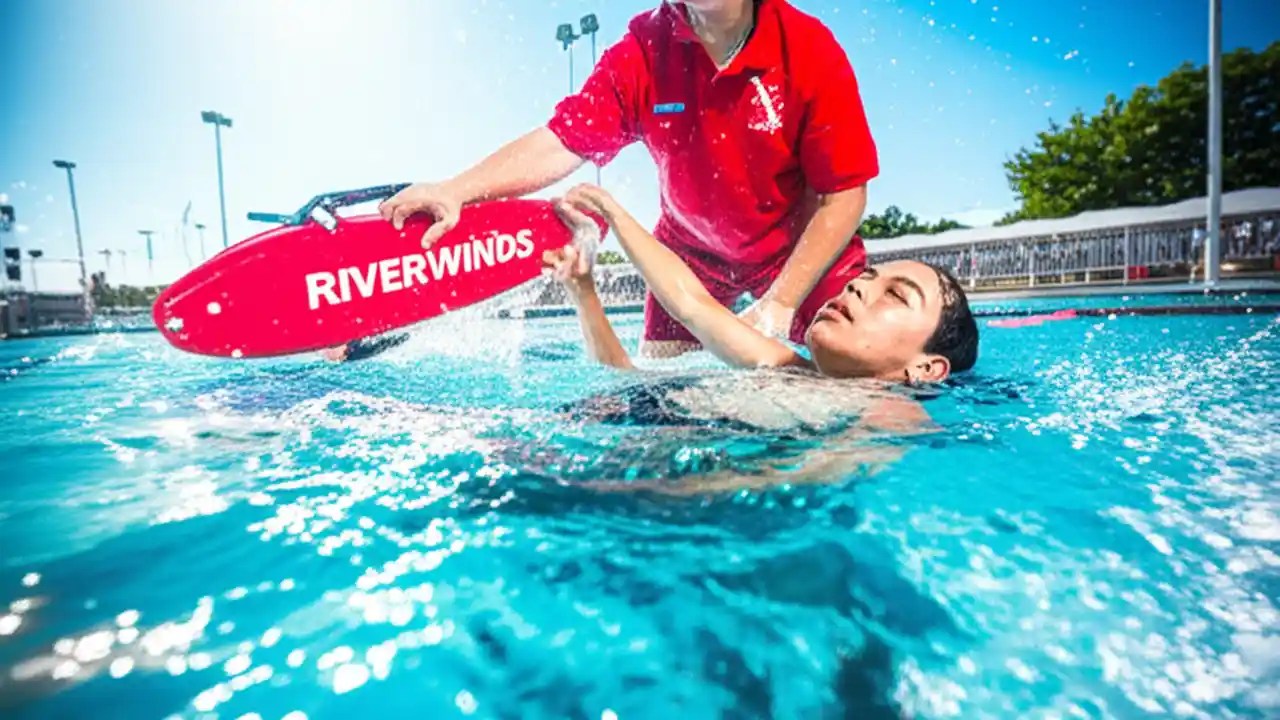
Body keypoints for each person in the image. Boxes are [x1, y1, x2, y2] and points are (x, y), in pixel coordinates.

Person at [377, 0, 880, 358]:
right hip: (689, 256)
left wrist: (782, 302)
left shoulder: (808, 49)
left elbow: (844, 196)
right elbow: (563, 140)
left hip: (801, 256)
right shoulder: (643, 49)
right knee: (660, 405)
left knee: (859, 386)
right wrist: (455, 190)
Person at [545, 184, 979, 384]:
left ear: (926, 369)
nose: (857, 288)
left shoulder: (891, 422)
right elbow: (690, 305)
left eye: (897, 295)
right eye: (866, 277)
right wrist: (584, 288)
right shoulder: (788, 368)